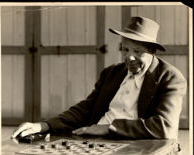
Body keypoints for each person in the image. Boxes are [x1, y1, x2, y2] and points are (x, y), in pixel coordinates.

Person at [11, 16, 187, 140]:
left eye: (137, 51)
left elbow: (164, 127)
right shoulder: (112, 73)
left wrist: (107, 128)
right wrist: (44, 126)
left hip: (134, 144)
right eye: (125, 50)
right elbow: (85, 109)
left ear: (152, 51)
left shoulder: (170, 78)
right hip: (94, 139)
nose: (129, 57)